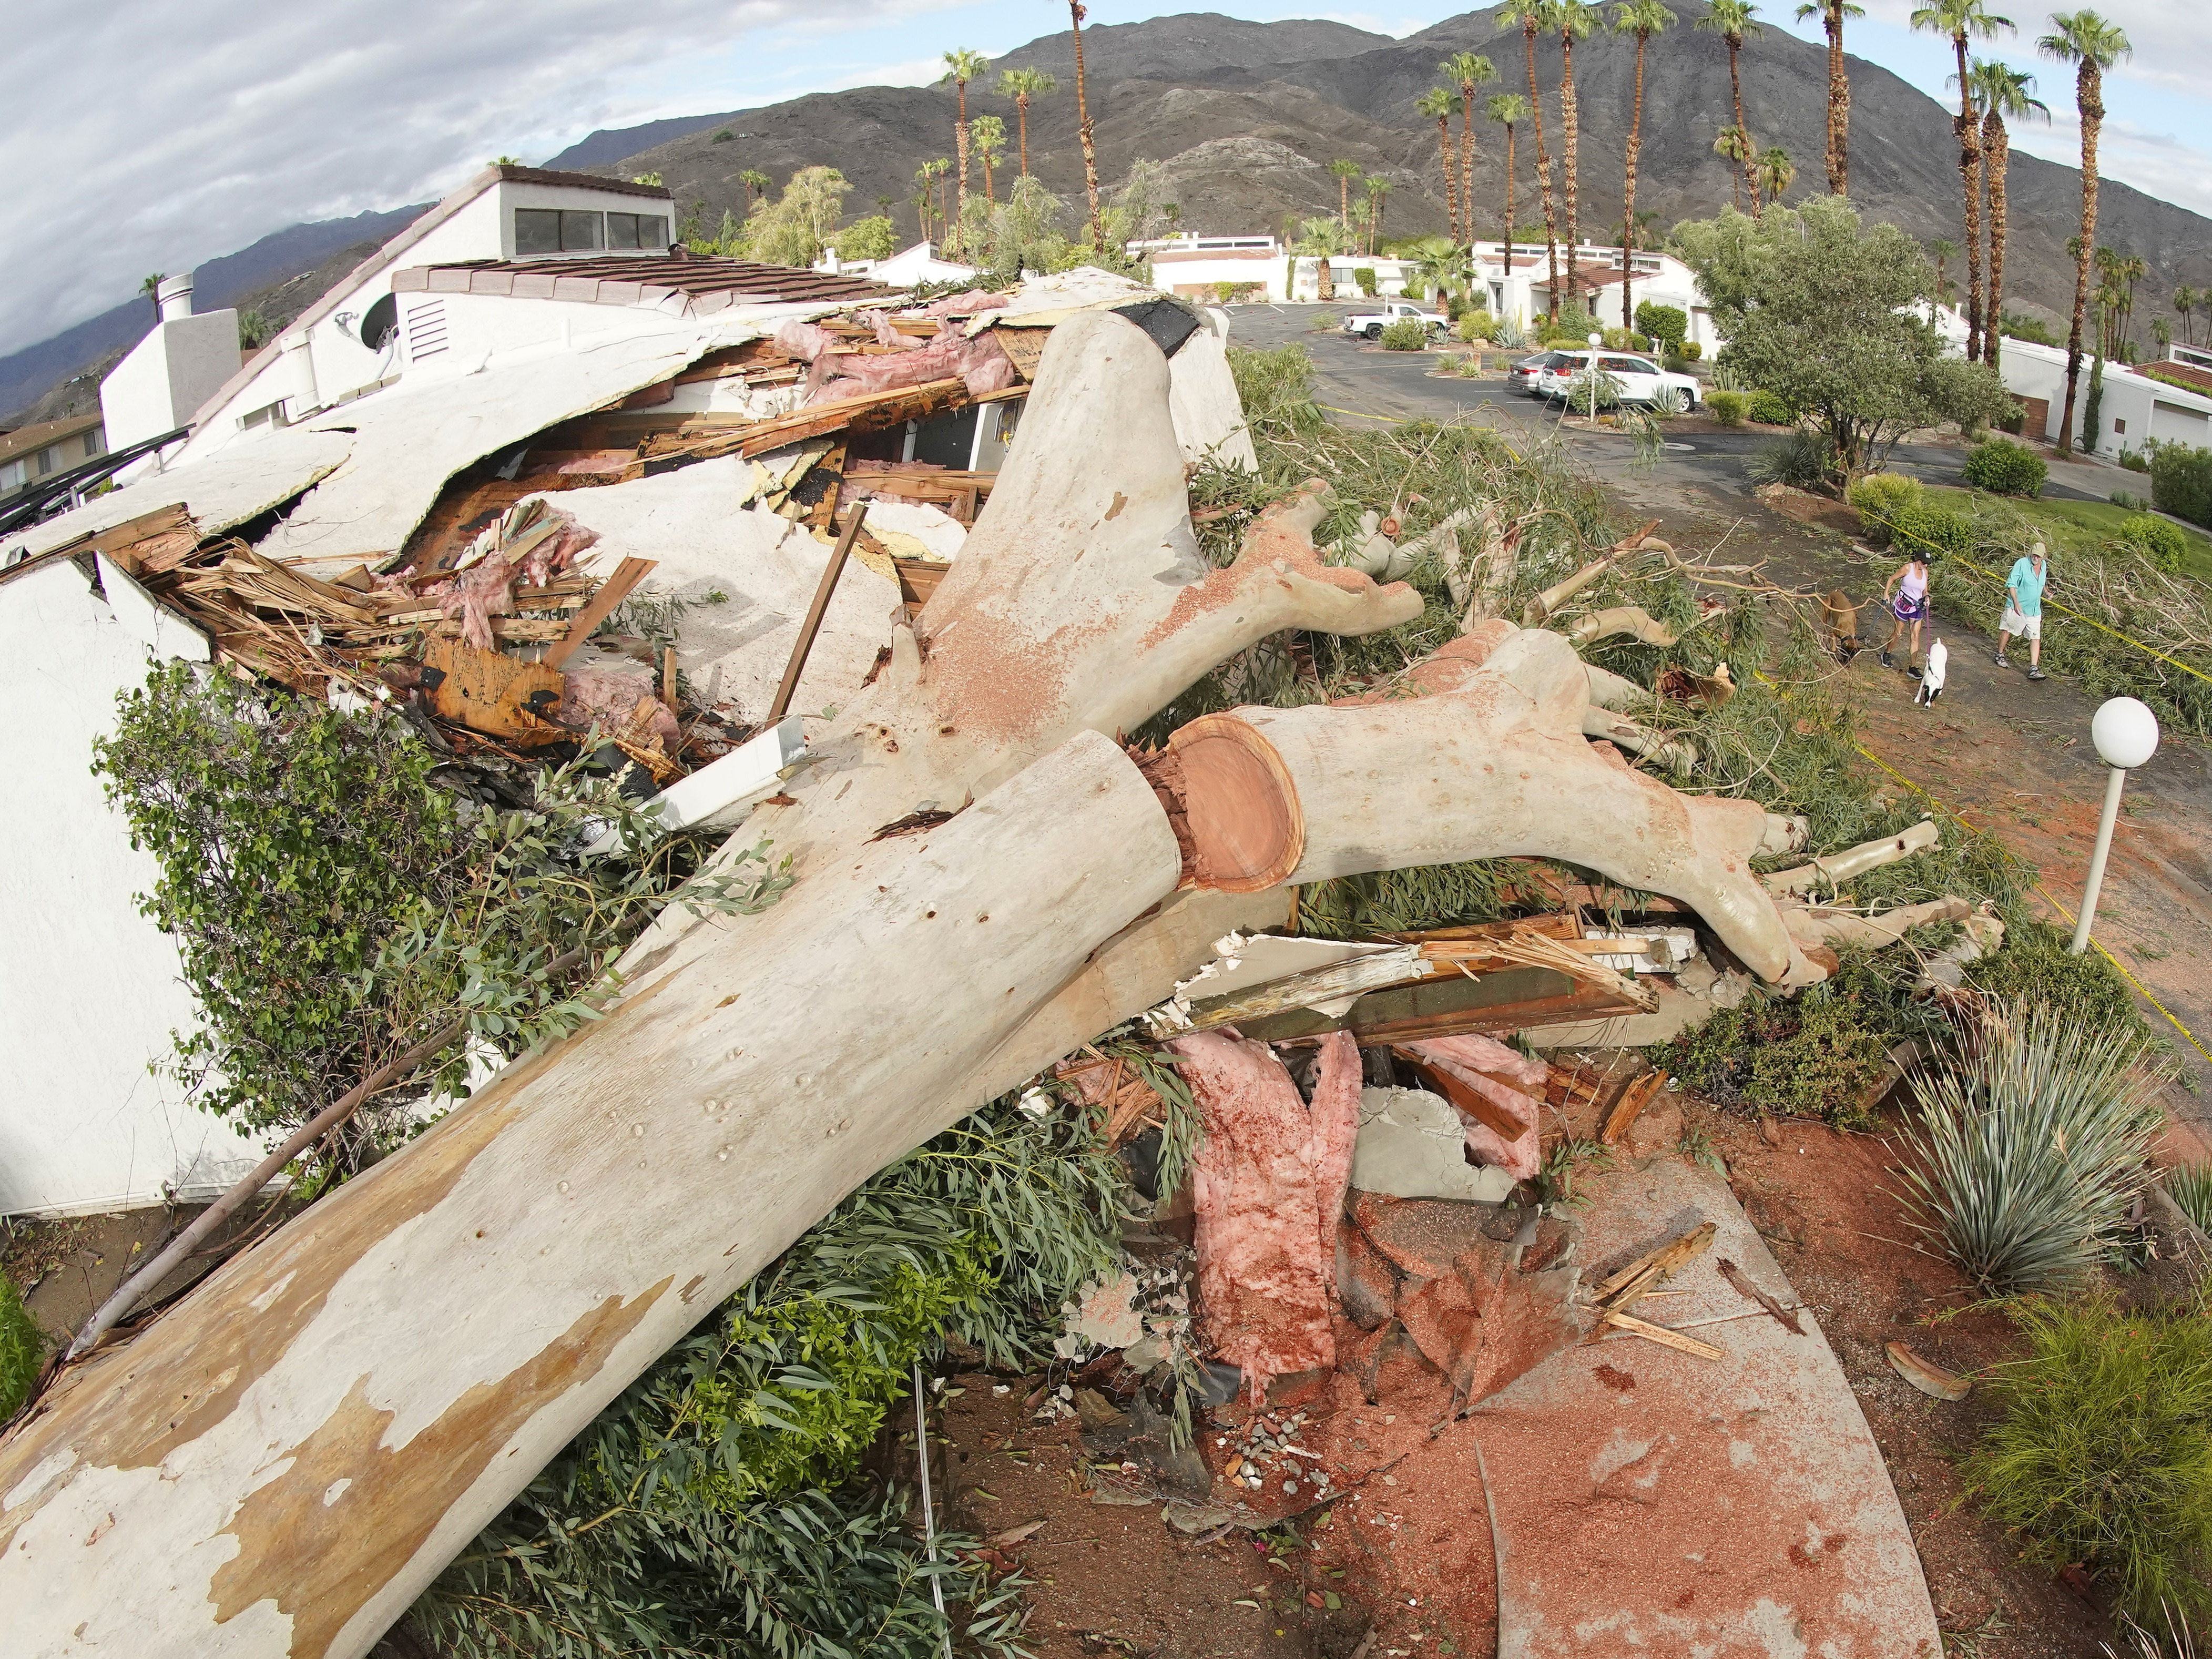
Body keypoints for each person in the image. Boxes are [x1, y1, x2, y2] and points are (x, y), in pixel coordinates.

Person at [1996, 542, 2049, 681]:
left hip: (2034, 609)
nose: (2035, 558)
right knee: (2007, 630)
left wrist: (2047, 593)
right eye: (2034, 555)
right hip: (2017, 607)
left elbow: (2041, 584)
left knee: (2035, 637)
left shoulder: (2044, 567)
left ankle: (2033, 668)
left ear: (2043, 557)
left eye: (2038, 556)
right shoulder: (2022, 564)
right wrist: (2016, 603)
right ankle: (2000, 654)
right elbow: (2011, 584)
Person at [1879, 549, 1933, 677]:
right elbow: (1891, 579)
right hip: (1903, 606)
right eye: (1924, 562)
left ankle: (1912, 667)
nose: (1926, 565)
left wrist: (1927, 597)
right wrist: (1886, 593)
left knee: (1915, 637)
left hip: (1917, 608)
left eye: (1928, 563)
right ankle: (1887, 653)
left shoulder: (1926, 573)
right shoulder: (1907, 569)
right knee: (1898, 633)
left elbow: (1925, 590)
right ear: (1917, 560)